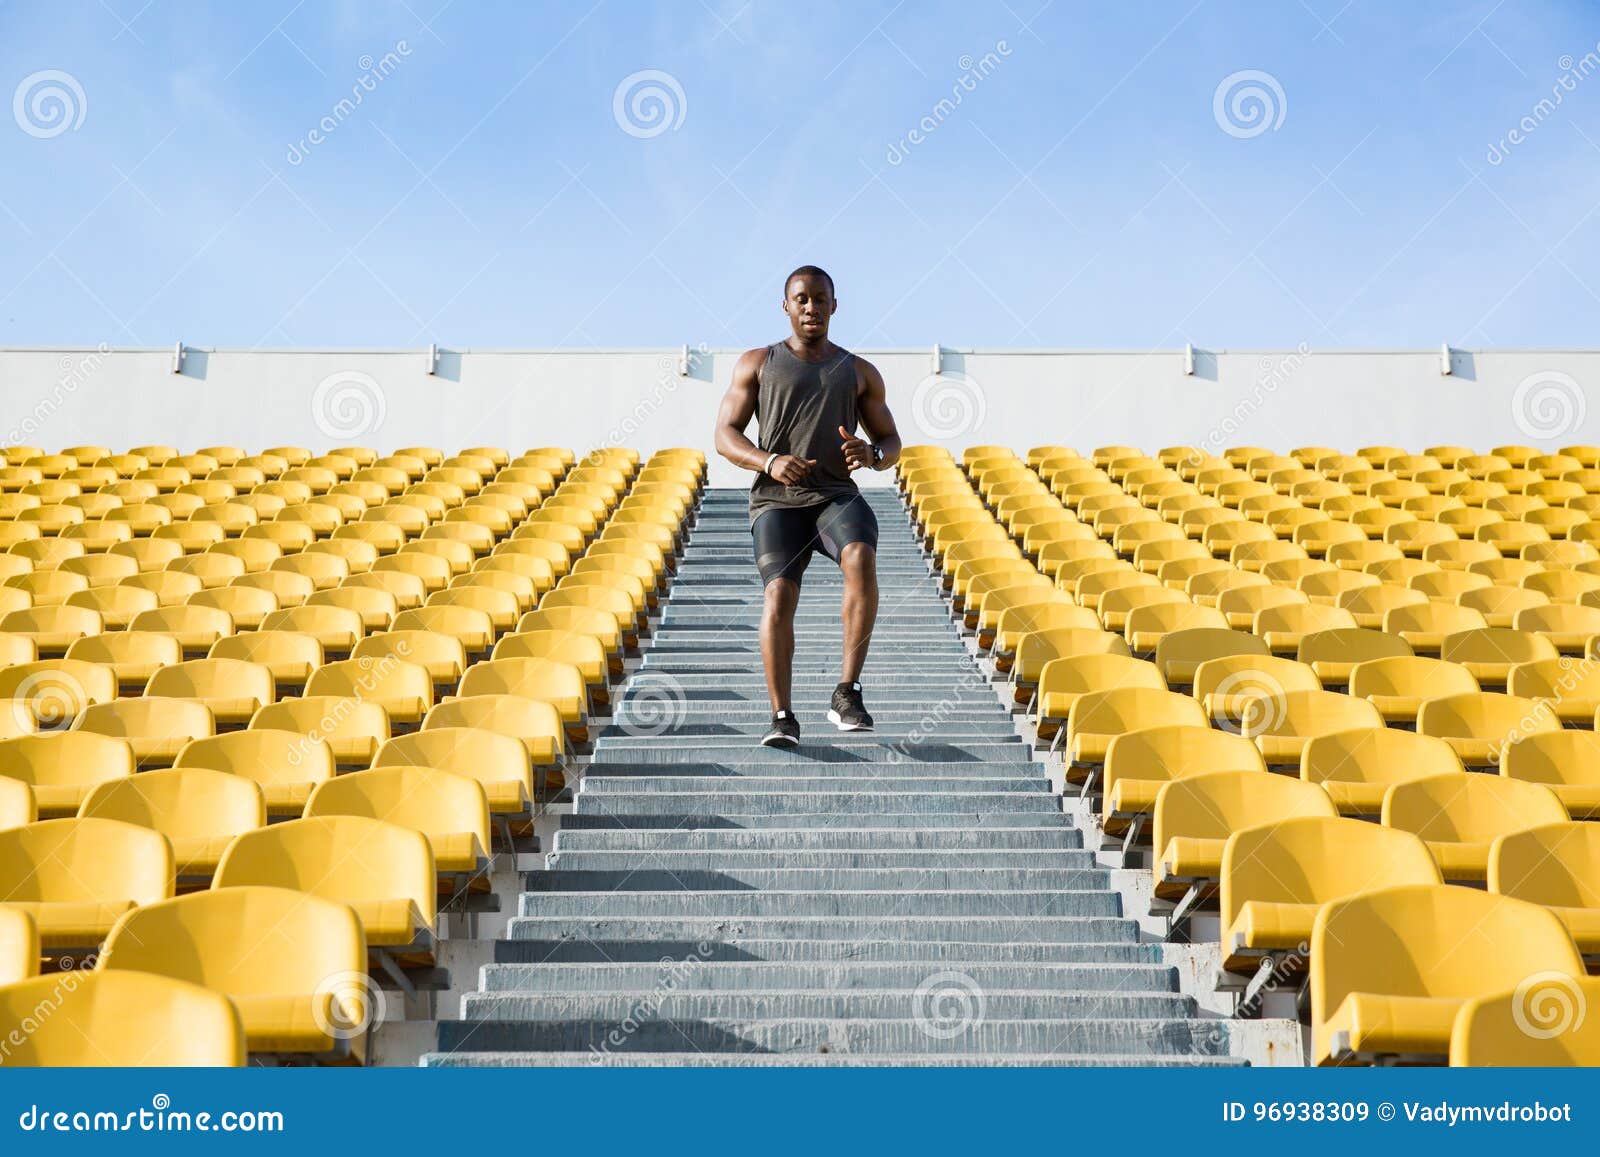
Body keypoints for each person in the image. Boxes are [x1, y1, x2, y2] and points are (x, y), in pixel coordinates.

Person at [713, 265, 903, 747]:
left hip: (836, 495)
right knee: (779, 595)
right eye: (801, 299)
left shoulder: (858, 371)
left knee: (860, 556)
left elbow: (890, 440)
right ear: (786, 306)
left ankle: (847, 692)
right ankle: (782, 716)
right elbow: (724, 435)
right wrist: (769, 460)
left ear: (834, 305)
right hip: (776, 501)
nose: (811, 307)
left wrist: (874, 455)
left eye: (820, 299)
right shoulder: (756, 362)